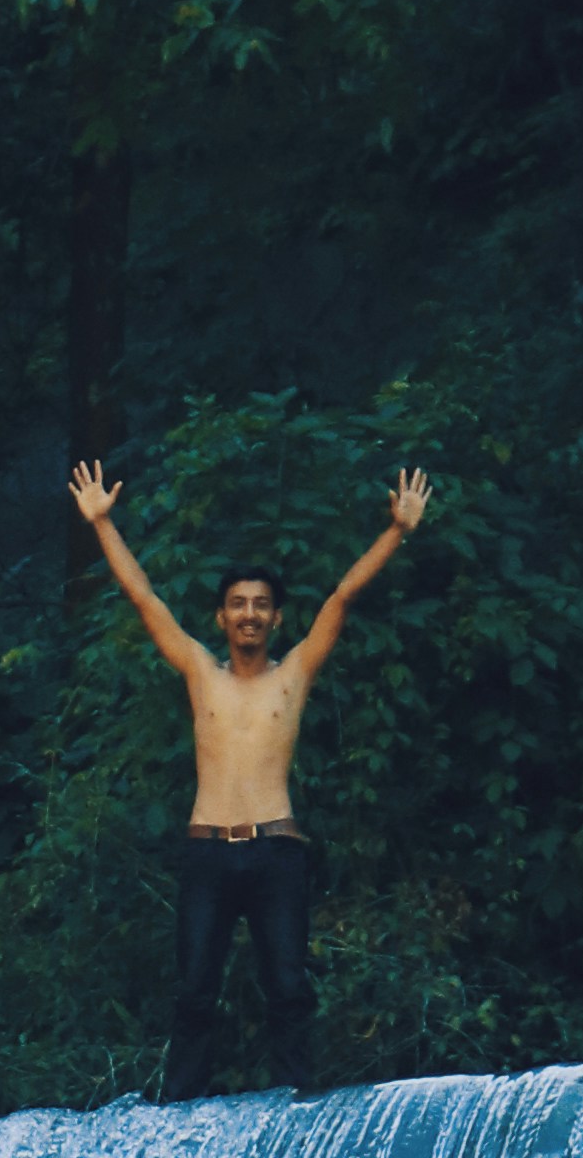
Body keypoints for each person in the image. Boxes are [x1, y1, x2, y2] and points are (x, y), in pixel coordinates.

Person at [67, 455, 432, 1095]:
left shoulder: (292, 675)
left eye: (262, 605)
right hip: (208, 849)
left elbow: (343, 595)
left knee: (289, 985)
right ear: (220, 618)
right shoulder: (200, 671)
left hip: (277, 849)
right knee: (194, 991)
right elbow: (143, 596)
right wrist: (101, 524)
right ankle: (179, 1111)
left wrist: (397, 531)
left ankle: (296, 1106)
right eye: (237, 604)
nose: (250, 615)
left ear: (277, 619)